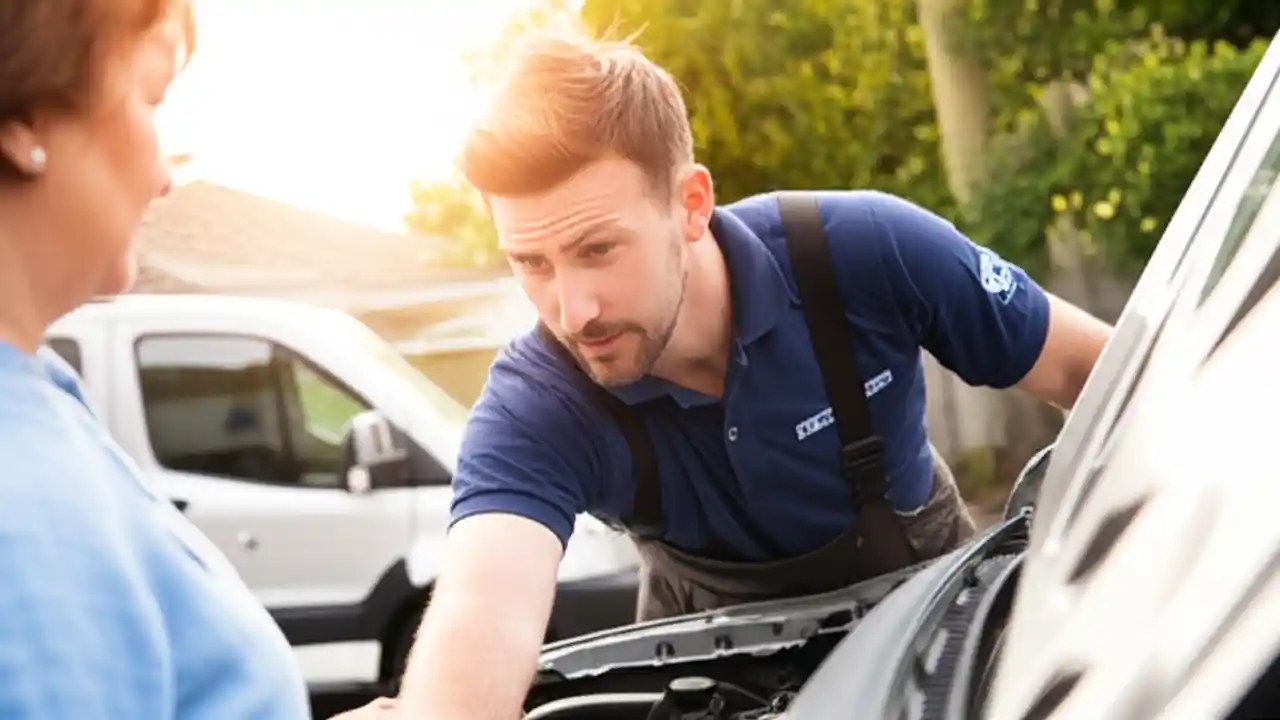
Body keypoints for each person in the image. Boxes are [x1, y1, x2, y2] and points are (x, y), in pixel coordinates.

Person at [392, 31, 1113, 720]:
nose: (573, 312)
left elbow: (1100, 373)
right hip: (718, 684)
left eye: (599, 249)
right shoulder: (535, 402)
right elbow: (482, 605)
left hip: (947, 652)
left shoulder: (866, 255)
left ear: (691, 206)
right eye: (532, 264)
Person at [0, 2, 311, 717]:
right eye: (152, 98)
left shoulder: (39, 399)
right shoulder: (17, 507)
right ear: (23, 119)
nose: (163, 175)